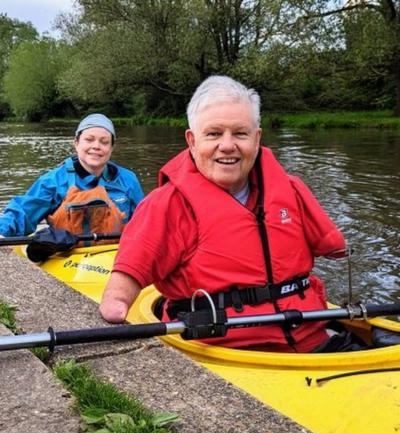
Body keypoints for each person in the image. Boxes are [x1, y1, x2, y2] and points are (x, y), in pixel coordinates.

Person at [99, 76, 349, 353]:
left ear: (257, 139)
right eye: (214, 134)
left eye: (240, 133)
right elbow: (123, 285)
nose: (227, 145)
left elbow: (337, 250)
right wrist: (116, 305)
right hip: (223, 349)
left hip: (311, 338)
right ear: (192, 141)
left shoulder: (291, 190)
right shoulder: (166, 205)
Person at [0, 113, 145, 242]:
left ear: (111, 147)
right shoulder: (53, 181)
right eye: (89, 140)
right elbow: (22, 212)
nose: (96, 146)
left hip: (115, 255)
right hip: (68, 257)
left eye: (104, 142)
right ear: (76, 143)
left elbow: (144, 222)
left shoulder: (128, 180)